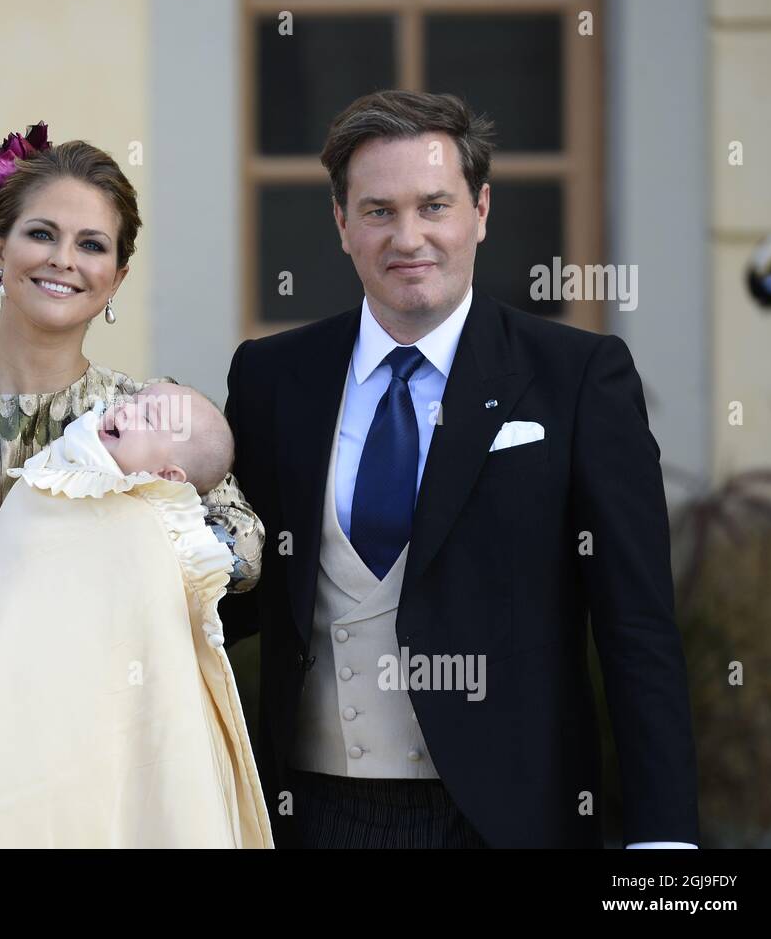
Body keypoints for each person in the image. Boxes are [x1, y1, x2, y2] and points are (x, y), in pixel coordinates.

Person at [217, 89, 700, 848]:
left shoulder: (577, 376)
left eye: (433, 205)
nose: (409, 237)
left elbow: (636, 625)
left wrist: (664, 844)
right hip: (308, 817)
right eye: (378, 211)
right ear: (342, 224)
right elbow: (230, 593)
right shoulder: (273, 377)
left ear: (480, 210)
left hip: (510, 822)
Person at [0, 125, 264, 848]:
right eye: (42, 233)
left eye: (93, 244)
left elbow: (245, 550)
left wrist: (137, 520)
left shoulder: (153, 413)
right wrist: (21, 681)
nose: (65, 260)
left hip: (111, 773)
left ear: (118, 278)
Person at [0, 387, 273, 847]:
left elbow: (172, 603)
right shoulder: (53, 476)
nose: (126, 408)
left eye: (150, 416)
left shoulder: (161, 530)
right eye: (134, 403)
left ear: (166, 474)